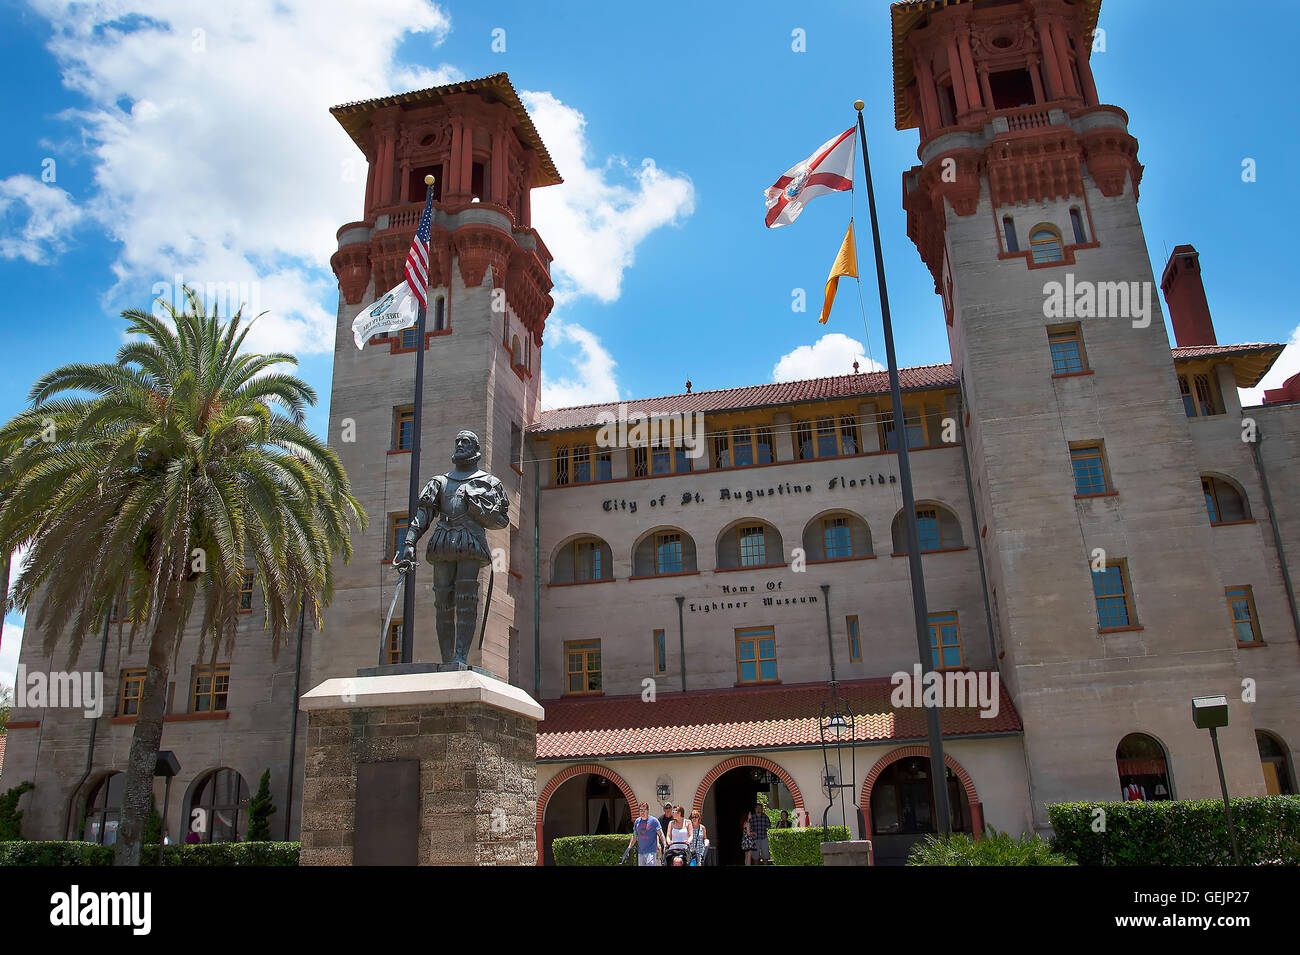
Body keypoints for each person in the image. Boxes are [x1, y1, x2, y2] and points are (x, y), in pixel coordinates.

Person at [629, 802, 663, 866]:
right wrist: (629, 847)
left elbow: (660, 834)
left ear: (647, 810)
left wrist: (664, 845)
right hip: (641, 851)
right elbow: (634, 836)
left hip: (651, 851)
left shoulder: (654, 821)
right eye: (641, 810)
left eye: (644, 810)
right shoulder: (637, 821)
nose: (642, 812)